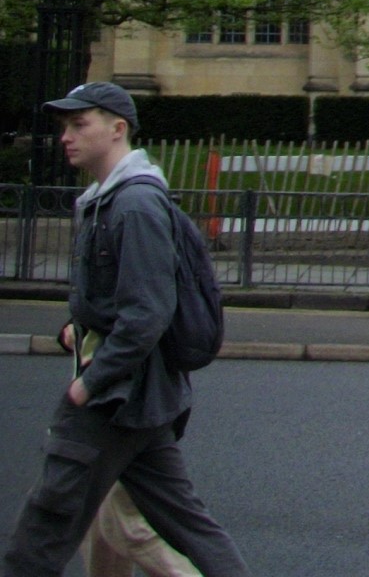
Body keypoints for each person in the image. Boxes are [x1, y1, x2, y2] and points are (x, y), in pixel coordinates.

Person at [3, 82, 247, 577]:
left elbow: (148, 311)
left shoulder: (133, 206)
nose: (66, 137)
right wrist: (77, 325)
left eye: (79, 124)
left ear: (117, 129)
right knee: (187, 525)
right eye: (64, 127)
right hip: (141, 396)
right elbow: (122, 298)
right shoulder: (106, 201)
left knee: (41, 533)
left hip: (114, 395)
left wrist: (91, 382)